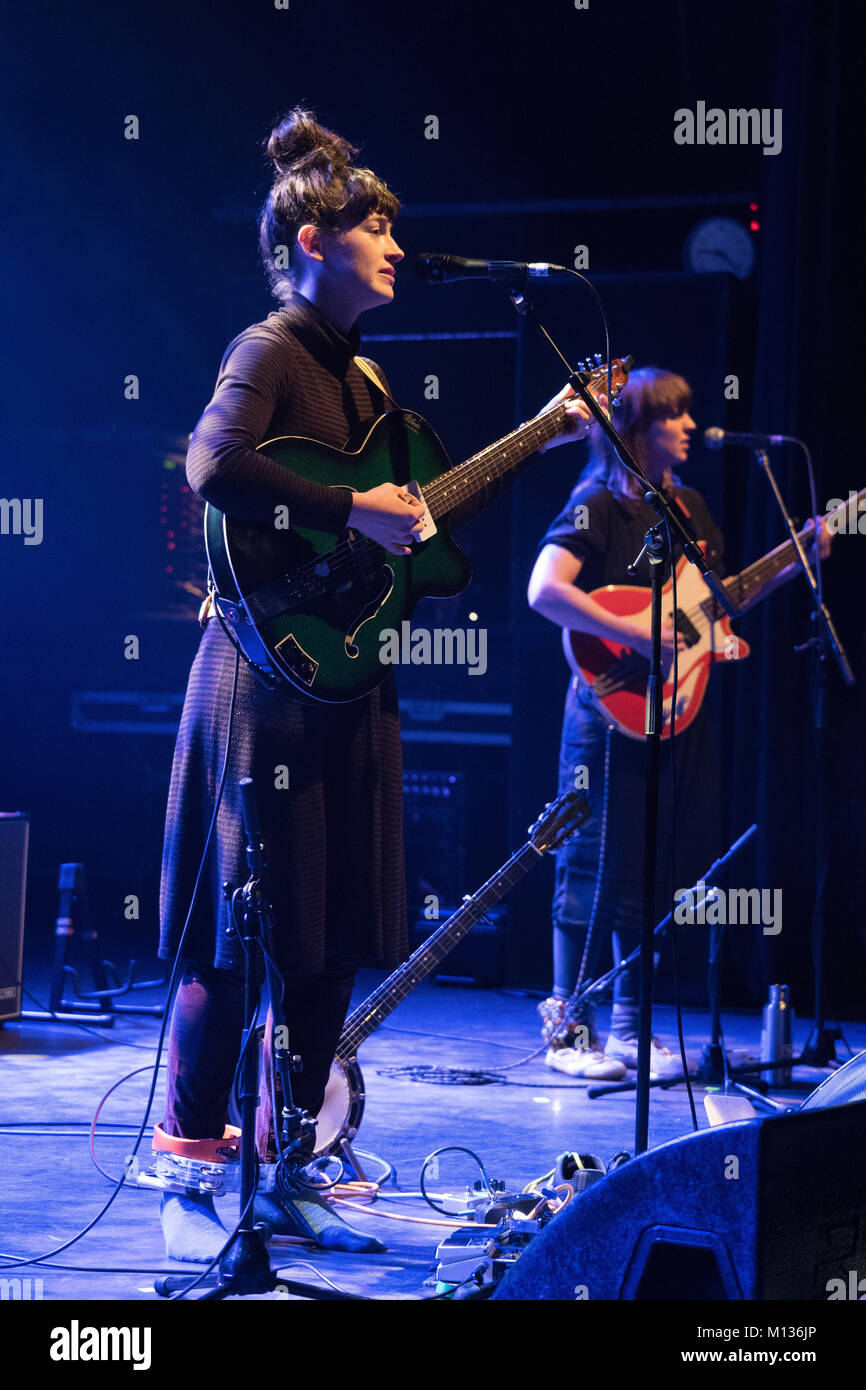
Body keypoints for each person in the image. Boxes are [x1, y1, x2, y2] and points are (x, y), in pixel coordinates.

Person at [158, 108, 593, 1262]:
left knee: (331, 923)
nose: (396, 242)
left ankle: (290, 1158)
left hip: (348, 688)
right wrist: (350, 508)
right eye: (375, 223)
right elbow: (213, 465)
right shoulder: (268, 352)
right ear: (311, 237)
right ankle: (188, 1164)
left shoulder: (368, 381)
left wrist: (545, 436)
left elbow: (428, 528)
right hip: (261, 674)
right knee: (229, 927)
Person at [528, 368, 727, 1081]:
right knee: (587, 866)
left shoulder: (691, 510)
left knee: (645, 873)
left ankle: (630, 1032)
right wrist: (635, 635)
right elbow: (545, 591)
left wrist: (722, 634)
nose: (688, 427)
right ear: (636, 433)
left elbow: (706, 608)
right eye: (672, 417)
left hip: (667, 710)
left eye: (688, 414)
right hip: (604, 708)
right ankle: (567, 1029)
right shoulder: (597, 506)